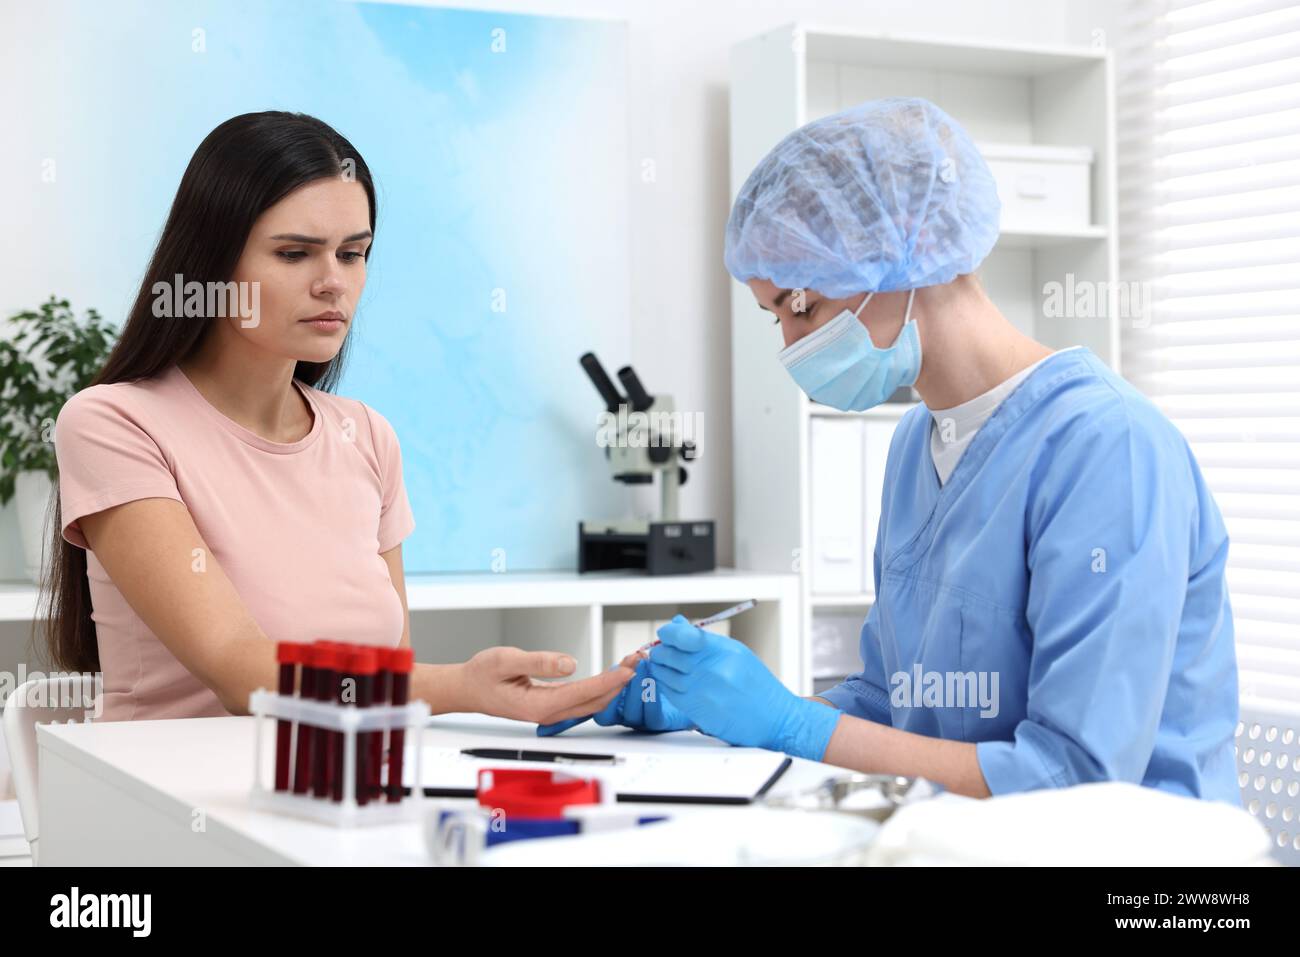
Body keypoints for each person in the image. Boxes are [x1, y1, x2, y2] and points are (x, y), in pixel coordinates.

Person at [542, 98, 1240, 805]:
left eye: (802, 306)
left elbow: (1075, 782)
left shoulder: (1108, 447)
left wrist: (792, 723)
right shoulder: (919, 440)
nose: (790, 344)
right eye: (775, 316)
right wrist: (721, 707)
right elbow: (892, 702)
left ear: (904, 246)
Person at [46, 112, 633, 723]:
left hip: (335, 796)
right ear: (210, 265)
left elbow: (389, 684)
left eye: (353, 254)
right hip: (172, 801)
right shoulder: (113, 424)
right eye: (295, 253)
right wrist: (462, 688)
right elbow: (239, 671)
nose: (334, 283)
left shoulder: (367, 436)